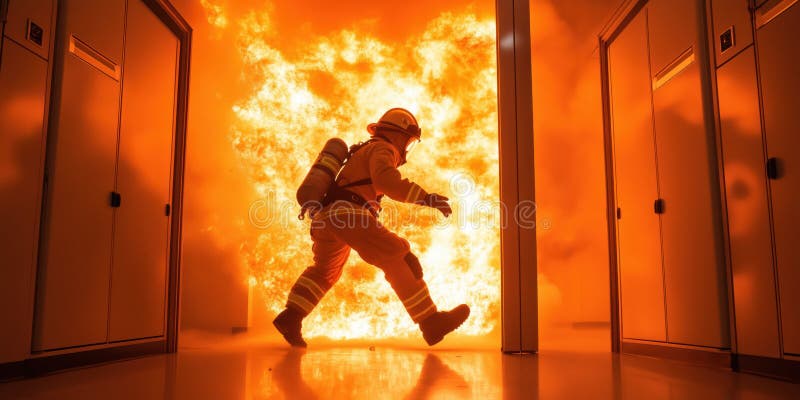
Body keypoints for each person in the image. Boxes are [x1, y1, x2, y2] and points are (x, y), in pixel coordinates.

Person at [273, 108, 470, 347]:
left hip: (326, 217)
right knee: (399, 255)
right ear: (396, 134)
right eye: (407, 141)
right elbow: (386, 180)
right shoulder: (382, 148)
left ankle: (291, 317)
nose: (406, 148)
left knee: (324, 272)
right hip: (349, 213)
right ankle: (430, 322)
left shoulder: (362, 151)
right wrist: (425, 197)